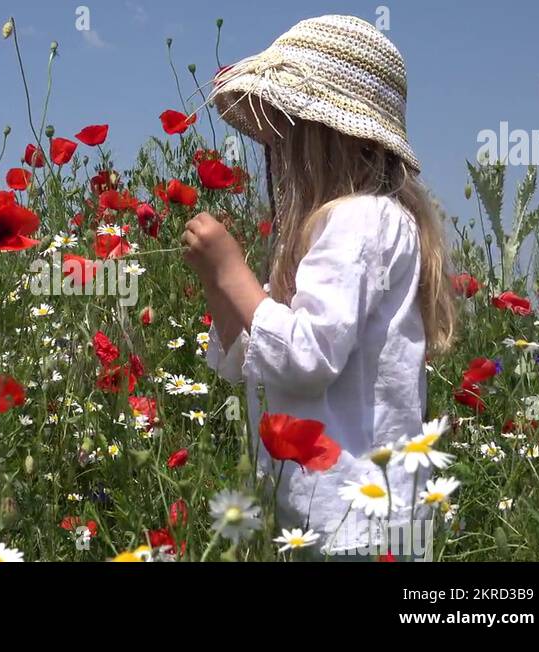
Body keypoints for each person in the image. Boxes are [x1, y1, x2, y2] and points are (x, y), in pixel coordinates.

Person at [183, 15, 455, 557]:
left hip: (352, 520)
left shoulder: (362, 220)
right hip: (333, 512)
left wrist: (234, 270)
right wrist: (219, 283)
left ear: (332, 137)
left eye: (290, 130)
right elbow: (248, 362)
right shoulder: (341, 226)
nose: (279, 152)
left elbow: (305, 357)